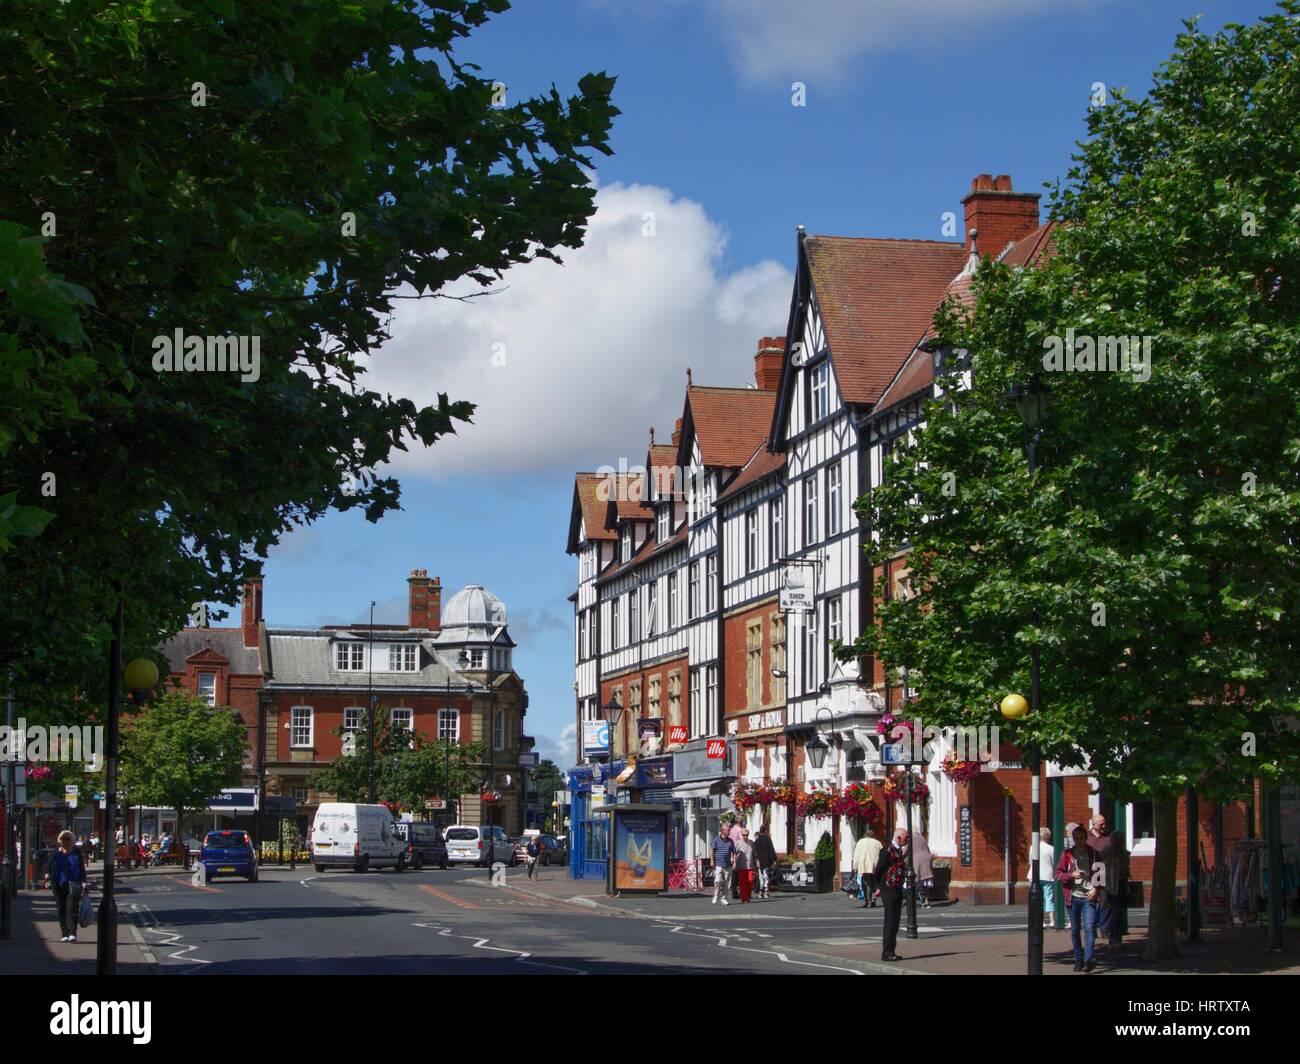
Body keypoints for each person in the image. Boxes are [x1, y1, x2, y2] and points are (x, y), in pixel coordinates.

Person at [1055, 825, 1102, 972]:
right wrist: (1071, 875)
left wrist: (1095, 889)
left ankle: (1088, 960)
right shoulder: (1067, 854)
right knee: (1075, 930)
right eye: (1075, 838)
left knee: (1089, 928)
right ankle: (1078, 959)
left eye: (1081, 838)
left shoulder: (1094, 854)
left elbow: (1101, 874)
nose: (1078, 840)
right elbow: (1058, 874)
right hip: (1073, 897)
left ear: (1086, 838)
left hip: (1088, 896)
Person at [42, 830, 88, 943]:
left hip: (74, 884)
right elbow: (49, 866)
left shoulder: (76, 853)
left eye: (67, 839)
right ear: (60, 840)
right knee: (61, 909)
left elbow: (81, 868)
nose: (65, 841)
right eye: (63, 839)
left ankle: (72, 933)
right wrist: (47, 876)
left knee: (72, 909)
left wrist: (84, 881)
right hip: (58, 884)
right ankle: (64, 933)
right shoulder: (55, 853)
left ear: (72, 841)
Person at [873, 827, 909, 961]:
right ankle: (887, 953)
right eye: (906, 837)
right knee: (890, 921)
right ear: (898, 837)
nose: (907, 840)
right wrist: (878, 886)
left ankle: (891, 951)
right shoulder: (886, 851)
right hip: (888, 889)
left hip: (897, 888)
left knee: (895, 922)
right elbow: (878, 870)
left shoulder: (899, 851)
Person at [1086, 815, 1113, 942]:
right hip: (1089, 874)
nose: (1104, 826)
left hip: (1104, 874)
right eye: (1101, 824)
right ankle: (1091, 929)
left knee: (1105, 902)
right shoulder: (1087, 837)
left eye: (1104, 824)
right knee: (1090, 902)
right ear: (1094, 824)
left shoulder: (1108, 838)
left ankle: (1105, 930)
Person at [1103, 830, 1130, 948]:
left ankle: (1116, 939)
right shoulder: (1108, 851)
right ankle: (1113, 939)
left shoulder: (1124, 853)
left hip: (1121, 884)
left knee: (1119, 913)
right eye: (1118, 840)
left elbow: (1126, 868)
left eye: (1121, 840)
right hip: (1111, 885)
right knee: (1114, 912)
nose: (1120, 843)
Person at [852, 828, 883, 908]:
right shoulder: (877, 842)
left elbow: (856, 855)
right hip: (875, 865)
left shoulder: (860, 842)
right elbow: (882, 854)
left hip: (864, 865)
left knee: (867, 883)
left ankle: (868, 901)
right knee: (873, 882)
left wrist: (855, 866)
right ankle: (872, 900)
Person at [710, 825, 735, 906]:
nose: (729, 832)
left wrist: (734, 862)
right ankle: (716, 896)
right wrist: (712, 861)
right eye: (728, 830)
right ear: (723, 831)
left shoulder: (730, 841)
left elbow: (734, 852)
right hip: (719, 864)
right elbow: (712, 850)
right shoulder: (716, 840)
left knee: (727, 883)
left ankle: (724, 899)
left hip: (728, 865)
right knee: (717, 881)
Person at [1039, 826, 1058, 928]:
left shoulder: (1033, 847)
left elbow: (1030, 862)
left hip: (1036, 876)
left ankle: (1041, 921)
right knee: (1049, 898)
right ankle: (1051, 920)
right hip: (1048, 875)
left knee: (1039, 899)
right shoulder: (1051, 848)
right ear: (1048, 836)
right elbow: (1055, 863)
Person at [911, 830, 935, 909]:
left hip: (917, 861)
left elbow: (907, 849)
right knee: (926, 883)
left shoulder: (911, 838)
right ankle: (926, 901)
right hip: (926, 860)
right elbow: (927, 849)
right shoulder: (923, 838)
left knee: (912, 881)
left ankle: (911, 901)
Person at [753, 825, 777, 898]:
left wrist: (755, 861)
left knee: (761, 877)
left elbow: (755, 852)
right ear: (765, 831)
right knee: (766, 877)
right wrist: (774, 859)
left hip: (759, 862)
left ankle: (760, 892)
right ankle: (766, 892)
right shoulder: (767, 839)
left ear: (760, 831)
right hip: (766, 861)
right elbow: (771, 850)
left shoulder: (757, 841)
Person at [734, 828, 756, 903]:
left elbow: (754, 854)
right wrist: (734, 862)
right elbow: (734, 853)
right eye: (743, 835)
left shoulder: (751, 843)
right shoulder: (738, 843)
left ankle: (748, 896)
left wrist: (757, 864)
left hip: (750, 866)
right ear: (741, 835)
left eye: (746, 835)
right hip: (741, 866)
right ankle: (744, 898)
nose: (745, 836)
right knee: (742, 883)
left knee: (750, 882)